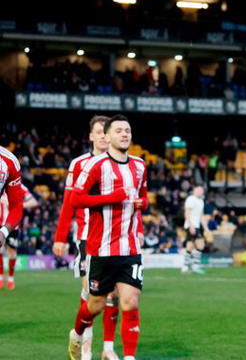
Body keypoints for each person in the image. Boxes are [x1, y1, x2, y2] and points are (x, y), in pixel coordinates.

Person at [67, 115, 148, 360]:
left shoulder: (140, 166)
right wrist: (110, 197)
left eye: (128, 130)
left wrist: (140, 203)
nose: (125, 134)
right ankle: (77, 332)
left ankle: (129, 357)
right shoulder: (95, 165)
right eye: (119, 131)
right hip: (100, 249)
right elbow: (75, 199)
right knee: (96, 306)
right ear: (109, 136)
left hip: (130, 248)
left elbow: (143, 196)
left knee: (130, 302)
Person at [54, 115, 123, 360]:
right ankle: (84, 347)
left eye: (107, 132)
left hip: (116, 239)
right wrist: (60, 237)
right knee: (92, 295)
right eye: (99, 132)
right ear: (91, 136)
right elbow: (68, 203)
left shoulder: (120, 164)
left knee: (114, 294)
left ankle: (108, 348)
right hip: (87, 238)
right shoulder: (79, 164)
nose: (104, 136)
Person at [0, 184, 38, 290]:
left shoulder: (18, 186)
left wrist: (20, 205)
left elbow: (34, 202)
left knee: (11, 252)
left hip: (12, 226)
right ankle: (1, 277)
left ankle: (11, 278)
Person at [0, 146, 24, 257]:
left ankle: (9, 275)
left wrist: (4, 232)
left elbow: (17, 207)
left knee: (11, 253)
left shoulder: (10, 162)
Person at [182, 185, 206, 275]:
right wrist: (191, 226)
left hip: (197, 226)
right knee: (192, 245)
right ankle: (187, 265)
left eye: (202, 190)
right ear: (195, 190)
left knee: (196, 245)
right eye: (199, 190)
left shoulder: (201, 201)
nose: (201, 192)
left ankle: (192, 265)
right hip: (191, 225)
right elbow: (187, 213)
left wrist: (206, 227)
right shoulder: (191, 199)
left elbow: (201, 216)